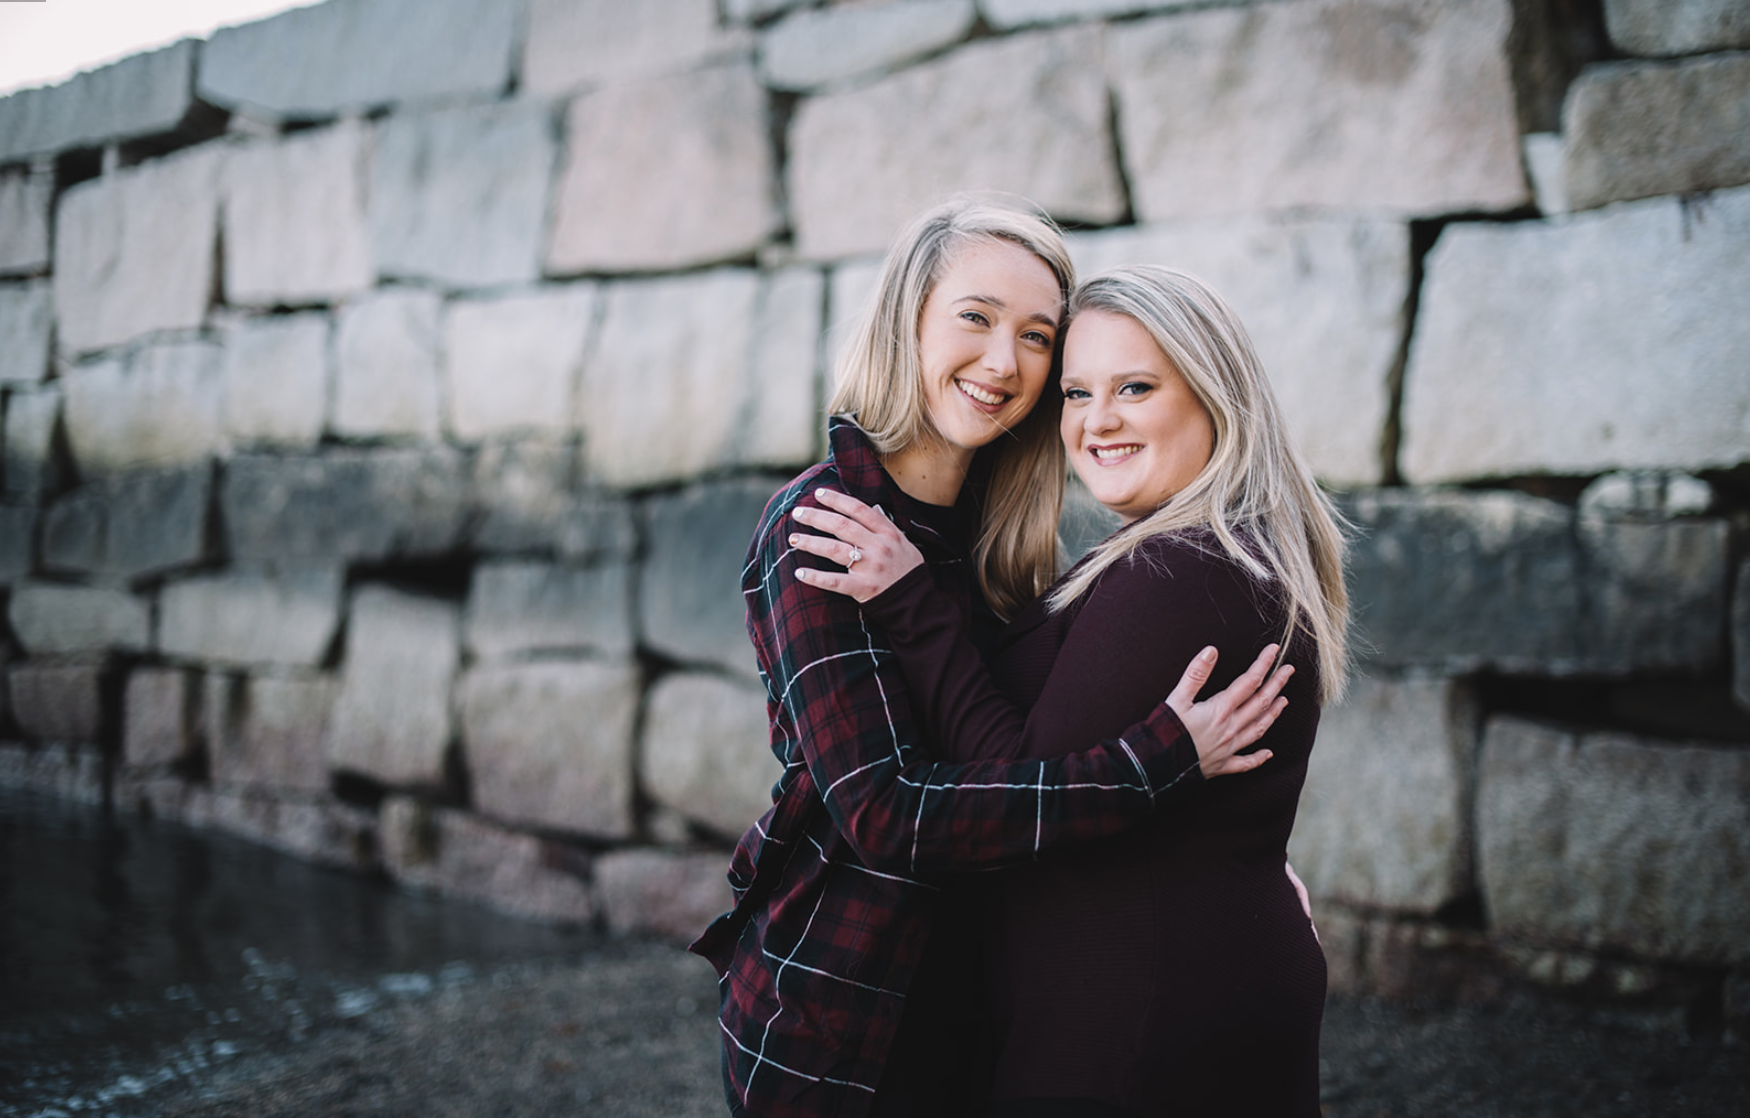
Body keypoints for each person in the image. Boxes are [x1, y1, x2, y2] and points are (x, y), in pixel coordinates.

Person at [688, 201, 1294, 1118]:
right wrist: (1162, 763)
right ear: (909, 320)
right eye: (975, 318)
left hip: (977, 1000)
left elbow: (1018, 745)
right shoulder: (824, 529)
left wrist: (1231, 864)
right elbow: (887, 814)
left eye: (1037, 336)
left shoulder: (998, 539)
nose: (1003, 362)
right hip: (847, 1015)